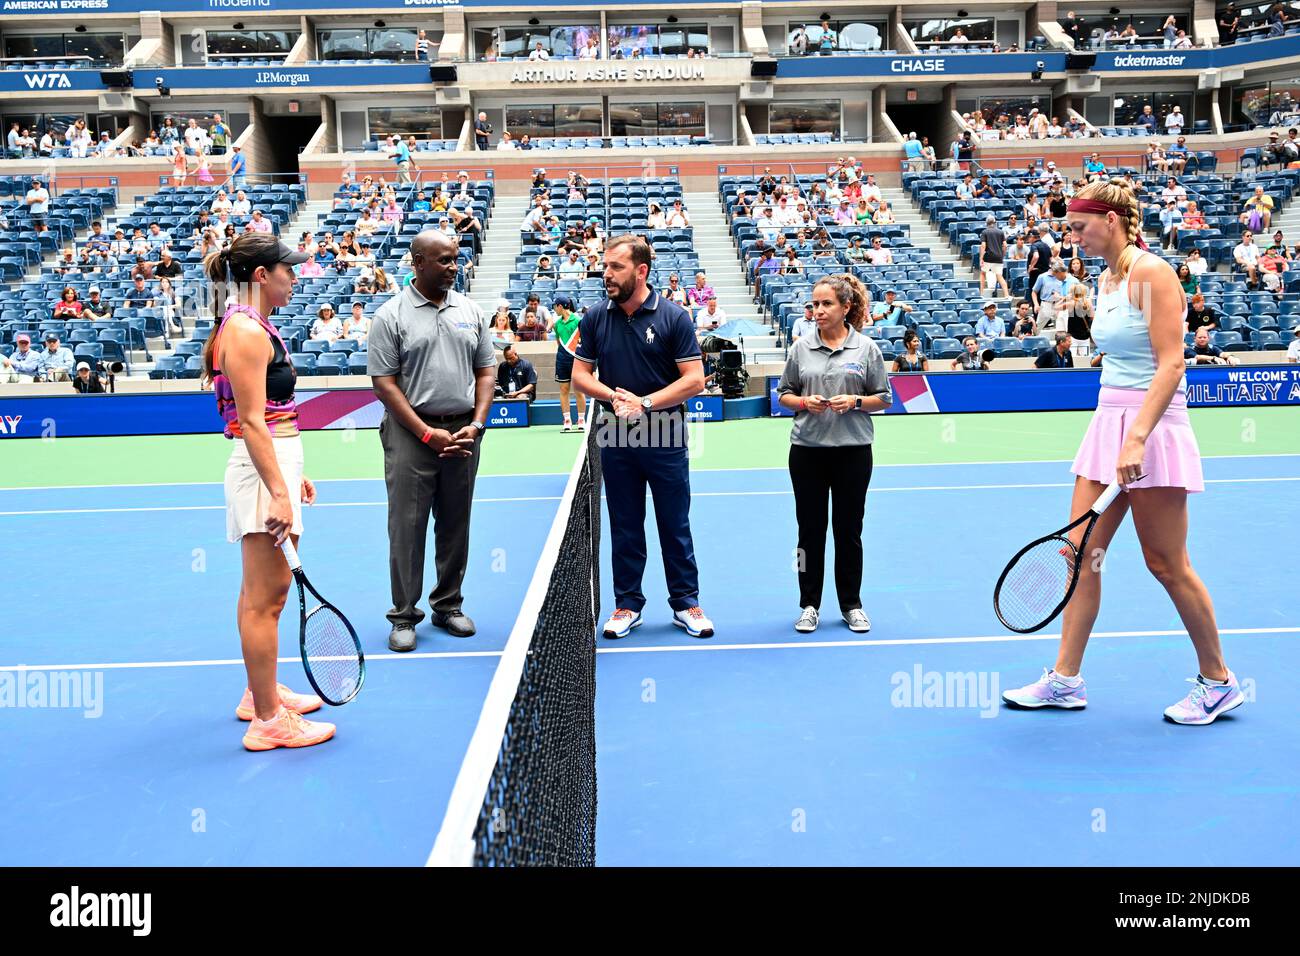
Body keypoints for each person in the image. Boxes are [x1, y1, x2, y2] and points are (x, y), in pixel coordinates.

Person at [1002, 179, 1239, 724]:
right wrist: (1120, 430)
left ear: (1112, 220)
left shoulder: (1151, 273)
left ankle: (1219, 681)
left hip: (1152, 428)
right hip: (1109, 421)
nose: (1071, 238)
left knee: (1166, 563)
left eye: (1079, 227)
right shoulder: (1105, 280)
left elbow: (1172, 364)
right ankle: (1065, 680)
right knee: (1079, 553)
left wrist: (1138, 436)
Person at [197, 232, 330, 749]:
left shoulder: (249, 325)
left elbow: (265, 419)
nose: (293, 277)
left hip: (269, 462)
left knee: (257, 593)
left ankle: (259, 693)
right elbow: (251, 423)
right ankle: (268, 721)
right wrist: (278, 490)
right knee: (267, 601)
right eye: (287, 270)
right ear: (261, 276)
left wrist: (289, 474)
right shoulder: (248, 333)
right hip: (259, 469)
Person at [569, 234, 713, 640]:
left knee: (674, 523)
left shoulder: (674, 317)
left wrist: (645, 403)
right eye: (605, 266)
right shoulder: (595, 317)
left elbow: (695, 380)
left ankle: (686, 603)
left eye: (616, 267)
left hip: (665, 435)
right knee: (625, 524)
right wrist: (614, 396)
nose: (606, 273)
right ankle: (627, 604)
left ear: (641, 270)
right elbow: (580, 376)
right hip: (615, 435)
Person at [367, 231, 495, 651]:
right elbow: (384, 385)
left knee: (456, 523)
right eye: (443, 261)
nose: (453, 267)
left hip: (463, 433)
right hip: (410, 435)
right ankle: (404, 614)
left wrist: (474, 427)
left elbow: (486, 373)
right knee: (407, 526)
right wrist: (425, 432)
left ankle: (448, 605)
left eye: (455, 259)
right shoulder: (390, 316)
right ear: (418, 262)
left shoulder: (471, 310)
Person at [775, 273, 891, 634]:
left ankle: (851, 605)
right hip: (807, 452)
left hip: (853, 453)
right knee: (808, 533)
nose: (818, 310)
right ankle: (808, 604)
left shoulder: (867, 349)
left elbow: (884, 398)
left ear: (846, 307)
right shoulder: (800, 348)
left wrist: (855, 401)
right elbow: (783, 395)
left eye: (826, 304)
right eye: (815, 304)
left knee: (848, 531)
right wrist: (804, 403)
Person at [549, 296, 588, 431]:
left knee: (578, 390)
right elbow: (559, 341)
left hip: (576, 358)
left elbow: (584, 341)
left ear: (560, 306)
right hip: (562, 359)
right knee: (564, 390)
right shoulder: (557, 324)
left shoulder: (578, 321)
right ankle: (567, 420)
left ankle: (581, 419)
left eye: (555, 306)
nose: (554, 309)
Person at [979, 214, 1010, 298]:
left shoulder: (984, 232)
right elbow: (1005, 245)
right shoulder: (1000, 232)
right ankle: (1006, 295)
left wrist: (981, 258)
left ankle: (981, 294)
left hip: (988, 257)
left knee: (982, 274)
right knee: (999, 276)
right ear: (995, 222)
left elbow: (983, 246)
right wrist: (1002, 255)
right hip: (999, 258)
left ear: (986, 223)